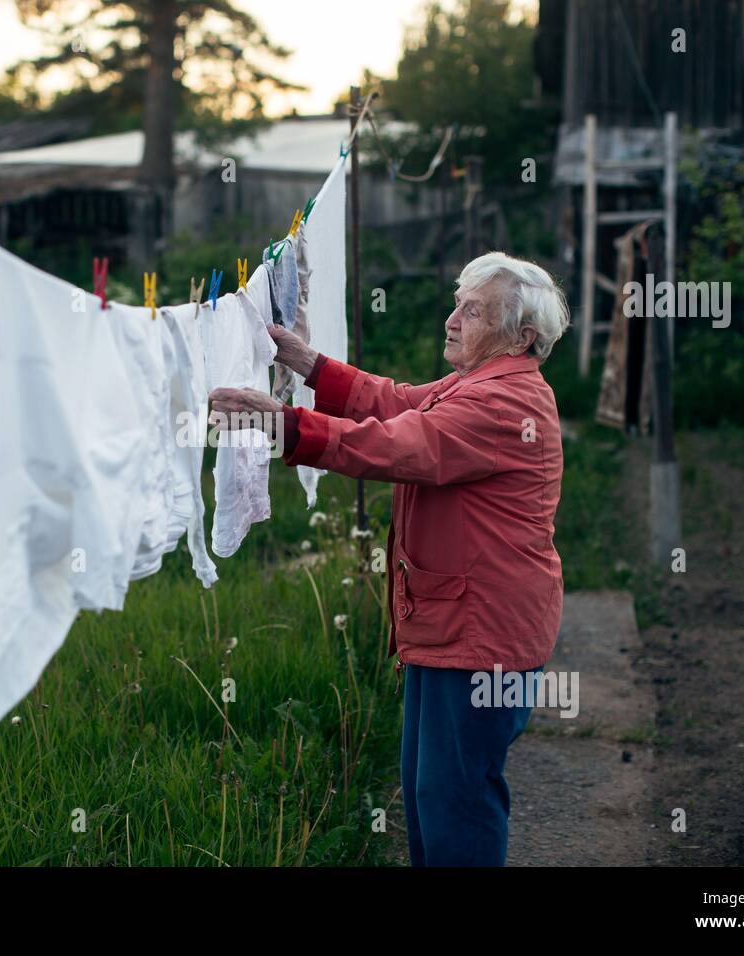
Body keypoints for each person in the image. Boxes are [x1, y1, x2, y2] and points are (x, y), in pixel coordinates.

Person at [209, 251, 571, 866]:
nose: (452, 319)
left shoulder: (502, 405)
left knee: (457, 802)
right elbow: (397, 403)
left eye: (472, 310)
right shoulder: (477, 384)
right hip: (451, 626)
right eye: (457, 303)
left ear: (522, 335)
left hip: (481, 639)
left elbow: (398, 445)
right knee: (432, 794)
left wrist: (287, 428)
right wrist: (308, 363)